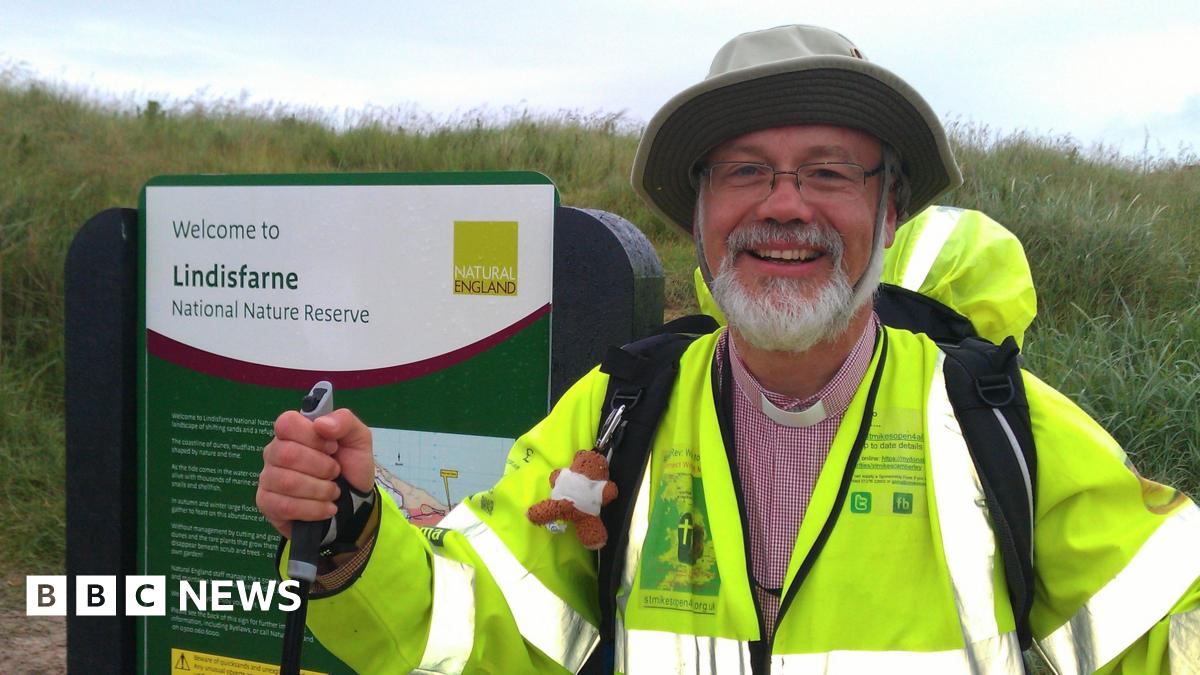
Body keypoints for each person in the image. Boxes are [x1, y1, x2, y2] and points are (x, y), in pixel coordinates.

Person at [257, 25, 1200, 673]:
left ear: (889, 208)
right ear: (700, 215)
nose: (783, 204)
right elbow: (479, 630)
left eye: (828, 172)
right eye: (746, 171)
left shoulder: (1004, 425)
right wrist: (350, 541)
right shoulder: (615, 412)